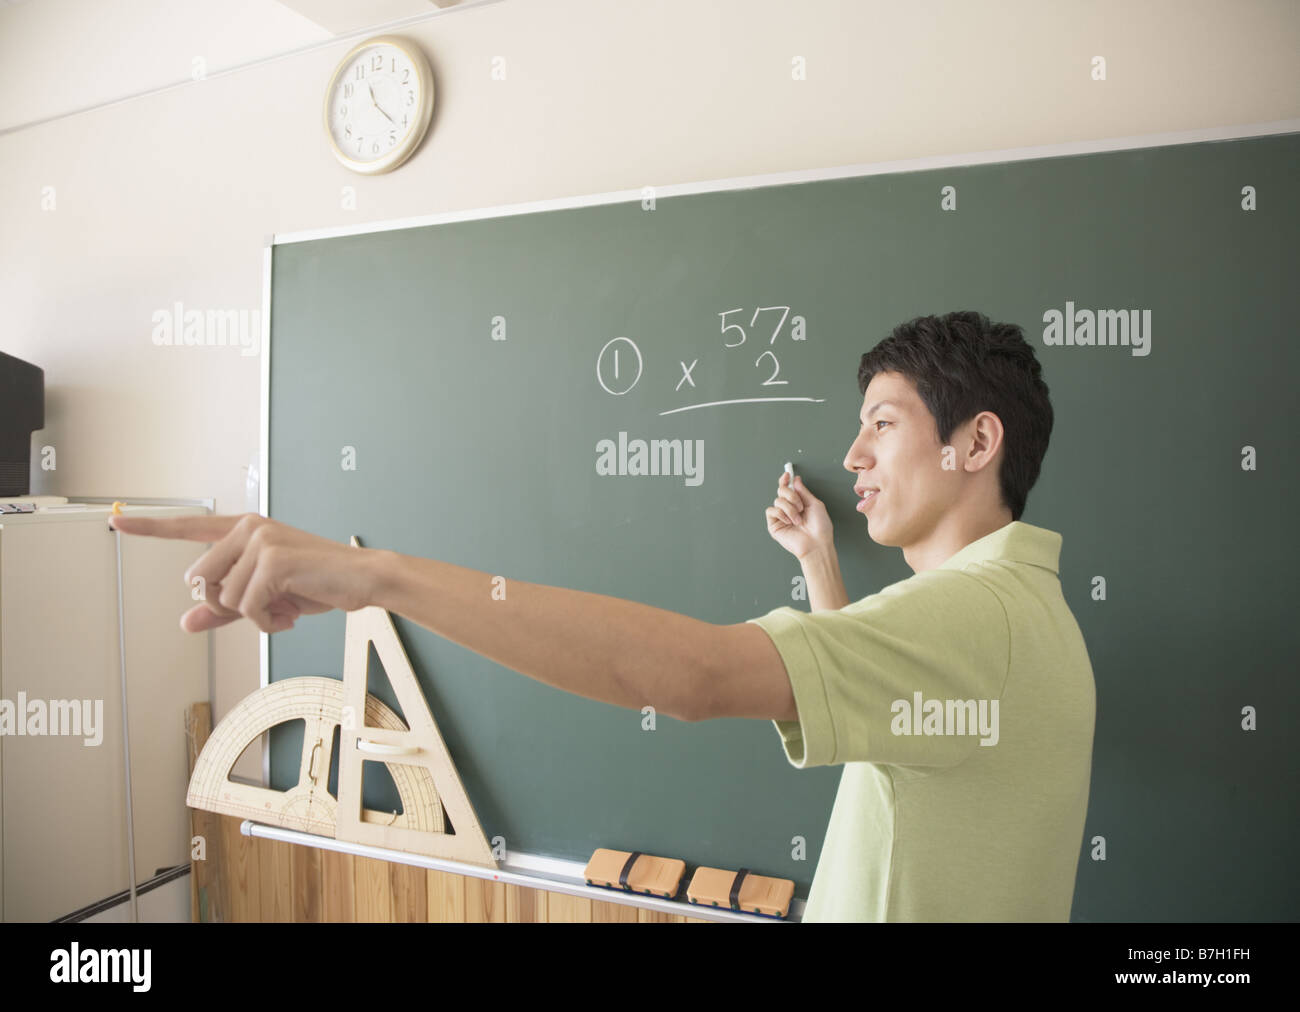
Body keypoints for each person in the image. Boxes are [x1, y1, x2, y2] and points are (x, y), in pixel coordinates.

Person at [110, 309, 1095, 922]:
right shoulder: (1007, 614)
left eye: (882, 422)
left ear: (977, 440)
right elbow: (869, 737)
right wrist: (819, 562)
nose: (853, 454)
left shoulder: (970, 617)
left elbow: (693, 678)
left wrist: (381, 577)